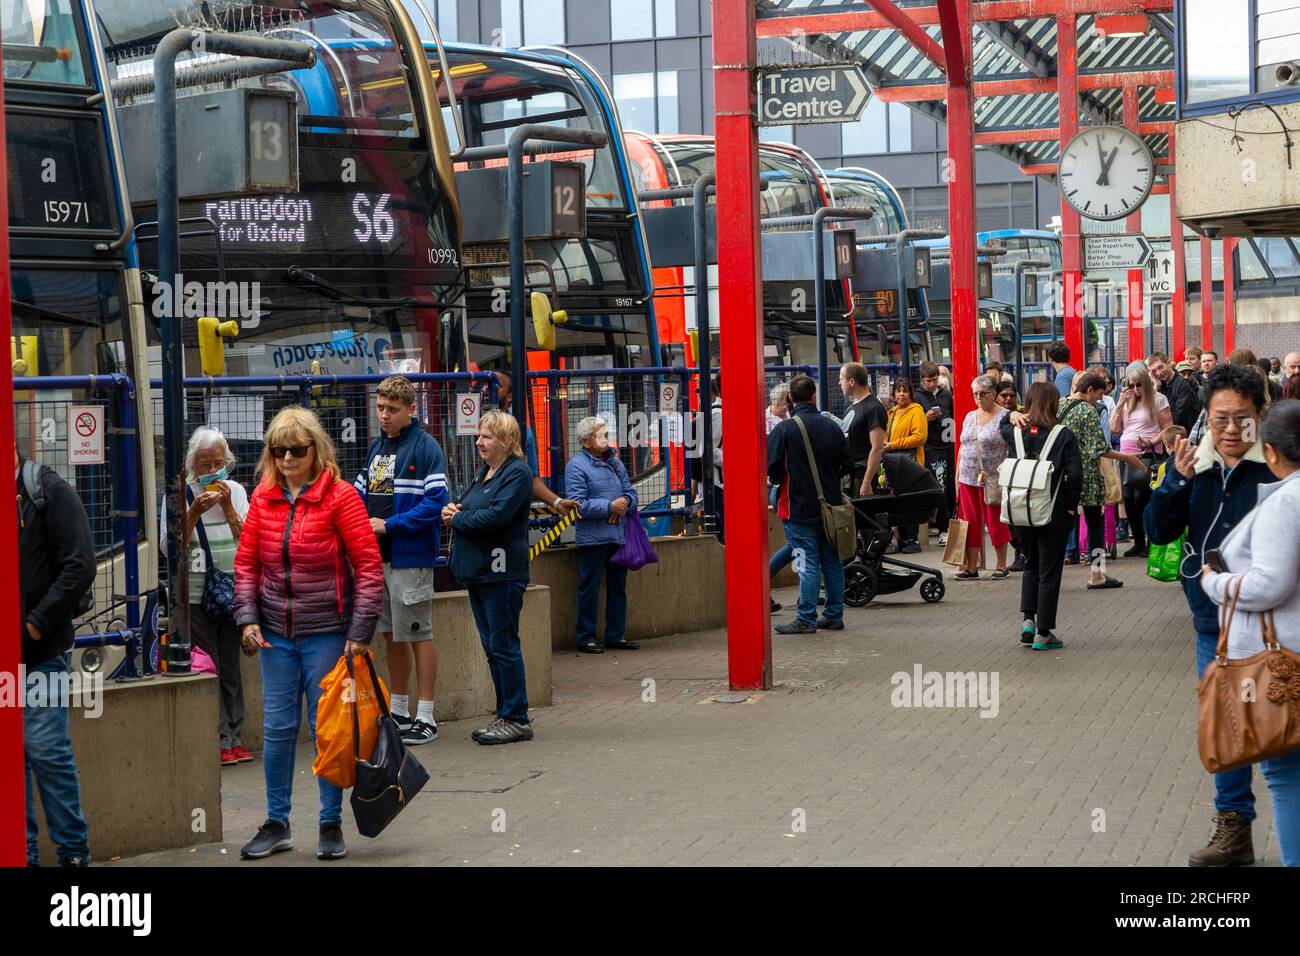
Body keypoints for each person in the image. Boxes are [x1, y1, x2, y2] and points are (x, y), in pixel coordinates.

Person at [234, 407, 384, 862]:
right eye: (278, 451)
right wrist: (247, 617)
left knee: (329, 732)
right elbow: (246, 565)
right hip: (276, 634)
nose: (286, 460)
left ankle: (329, 821)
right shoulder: (263, 498)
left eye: (296, 450)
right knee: (278, 730)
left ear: (315, 449)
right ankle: (277, 822)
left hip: (328, 634)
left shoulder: (340, 497)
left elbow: (369, 567)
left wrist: (359, 632)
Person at [1146, 363, 1276, 867]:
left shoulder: (1279, 466)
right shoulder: (1192, 464)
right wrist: (1174, 482)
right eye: (1218, 418)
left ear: (1260, 415)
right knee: (1227, 726)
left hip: (1275, 621)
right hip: (1212, 625)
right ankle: (1233, 828)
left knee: (1281, 725)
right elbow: (1157, 531)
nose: (1228, 430)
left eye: (1240, 418)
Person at [1200, 400, 1300, 867]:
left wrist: (1214, 582)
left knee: (1284, 774)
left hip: (1283, 663)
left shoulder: (1287, 500)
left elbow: (1270, 582)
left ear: (1273, 450)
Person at [356, 376, 448, 746]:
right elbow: (363, 499)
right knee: (393, 634)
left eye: (392, 410)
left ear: (411, 410)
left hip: (410, 556)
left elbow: (435, 503)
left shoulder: (427, 448)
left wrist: (389, 525)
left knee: (418, 633)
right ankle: (398, 710)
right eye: (380, 408)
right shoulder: (378, 449)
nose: (384, 416)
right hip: (381, 557)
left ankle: (426, 715)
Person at [17, 446, 95, 867]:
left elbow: (79, 565)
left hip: (41, 652)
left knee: (45, 749)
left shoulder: (47, 489)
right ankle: (22, 853)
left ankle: (73, 856)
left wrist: (35, 625)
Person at [444, 410, 535, 744]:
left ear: (506, 441)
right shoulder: (486, 472)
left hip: (502, 572)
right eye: (480, 435)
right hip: (480, 573)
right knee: (492, 646)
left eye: (487, 437)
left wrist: (458, 517)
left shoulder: (517, 473)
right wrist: (457, 510)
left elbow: (496, 517)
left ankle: (516, 716)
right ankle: (506, 713)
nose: (479, 442)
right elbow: (473, 508)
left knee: (504, 644)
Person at [161, 427, 250, 766]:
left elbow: (247, 539)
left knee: (231, 667)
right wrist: (193, 512)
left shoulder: (237, 491)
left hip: (231, 594)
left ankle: (235, 738)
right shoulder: (178, 496)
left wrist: (228, 507)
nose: (212, 471)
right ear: (190, 466)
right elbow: (169, 550)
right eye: (203, 464)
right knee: (207, 665)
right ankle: (218, 738)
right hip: (196, 597)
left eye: (218, 463)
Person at [1038, 371, 1145, 588]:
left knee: (1058, 526)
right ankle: (1097, 575)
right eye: (1098, 395)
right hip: (1086, 476)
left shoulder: (1058, 404)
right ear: (1089, 390)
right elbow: (1100, 447)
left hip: (1059, 475)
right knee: (1095, 525)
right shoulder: (1088, 411)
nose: (1099, 399)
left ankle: (1049, 573)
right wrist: (1128, 458)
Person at [1000, 383, 1083, 650]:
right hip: (1052, 512)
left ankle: (1028, 621)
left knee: (1031, 565)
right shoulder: (1063, 435)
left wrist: (1011, 414)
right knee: (1049, 571)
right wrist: (1070, 507)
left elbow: (1001, 422)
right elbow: (1075, 476)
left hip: (1020, 512)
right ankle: (1044, 633)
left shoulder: (1014, 431)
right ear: (1053, 404)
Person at [767, 375, 850, 634]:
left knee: (807, 563)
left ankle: (805, 618)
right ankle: (834, 615)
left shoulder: (784, 430)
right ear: (814, 396)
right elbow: (847, 465)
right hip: (830, 510)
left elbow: (771, 468)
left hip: (797, 509)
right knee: (833, 562)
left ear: (791, 398)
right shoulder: (832, 427)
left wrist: (783, 479)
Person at [565, 416, 640, 654]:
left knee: (618, 587)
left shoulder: (616, 464)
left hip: (618, 535)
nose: (606, 439)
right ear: (586, 441)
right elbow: (578, 505)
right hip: (593, 538)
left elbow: (631, 493)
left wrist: (625, 504)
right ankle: (586, 637)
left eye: (606, 434)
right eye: (601, 435)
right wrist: (610, 507)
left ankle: (615, 635)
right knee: (590, 586)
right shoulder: (576, 466)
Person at [489, 370, 578, 515]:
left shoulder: (522, 432)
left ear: (510, 396)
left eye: (495, 387)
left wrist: (557, 502)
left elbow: (531, 478)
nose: (487, 390)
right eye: (486, 385)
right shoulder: (465, 427)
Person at [1109, 360, 1172, 558]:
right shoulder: (1126, 401)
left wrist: (1151, 441)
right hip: (1126, 453)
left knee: (1143, 497)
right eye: (1131, 385)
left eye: (1139, 385)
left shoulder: (1158, 399)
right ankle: (1137, 541)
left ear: (1145, 382)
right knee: (1128, 499)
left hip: (1148, 454)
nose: (1135, 389)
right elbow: (1114, 428)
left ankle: (1150, 540)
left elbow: (1168, 427)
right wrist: (1120, 403)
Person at [956, 375, 1011, 579]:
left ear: (993, 394)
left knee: (995, 520)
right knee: (970, 522)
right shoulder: (970, 416)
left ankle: (1001, 564)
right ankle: (971, 566)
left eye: (983, 394)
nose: (978, 398)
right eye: (975, 394)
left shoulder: (1004, 416)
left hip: (992, 477)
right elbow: (963, 447)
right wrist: (957, 476)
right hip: (967, 477)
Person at [916, 361, 956, 545]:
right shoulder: (917, 397)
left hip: (947, 445)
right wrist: (925, 419)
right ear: (922, 379)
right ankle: (941, 527)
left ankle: (946, 527)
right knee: (938, 487)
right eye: (928, 380)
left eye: (934, 380)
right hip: (930, 446)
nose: (932, 384)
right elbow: (914, 423)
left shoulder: (947, 395)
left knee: (948, 486)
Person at [885, 379, 926, 553]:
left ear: (911, 394)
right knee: (897, 501)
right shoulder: (891, 413)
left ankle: (912, 539)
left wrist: (892, 445)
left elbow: (920, 437)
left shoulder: (916, 411)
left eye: (905, 391)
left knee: (910, 501)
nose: (901, 394)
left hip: (910, 463)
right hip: (893, 463)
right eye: (898, 391)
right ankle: (901, 538)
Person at [838, 363, 887, 497]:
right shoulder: (850, 408)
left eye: (842, 379)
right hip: (850, 475)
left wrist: (867, 482)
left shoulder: (874, 408)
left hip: (863, 475)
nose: (839, 383)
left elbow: (877, 448)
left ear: (852, 381)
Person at [1148, 352, 1201, 432]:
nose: (1158, 373)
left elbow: (1178, 417)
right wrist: (1155, 388)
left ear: (1168, 363)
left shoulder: (1182, 384)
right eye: (1154, 371)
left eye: (1160, 367)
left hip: (1181, 434)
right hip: (1165, 434)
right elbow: (1149, 412)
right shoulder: (1159, 385)